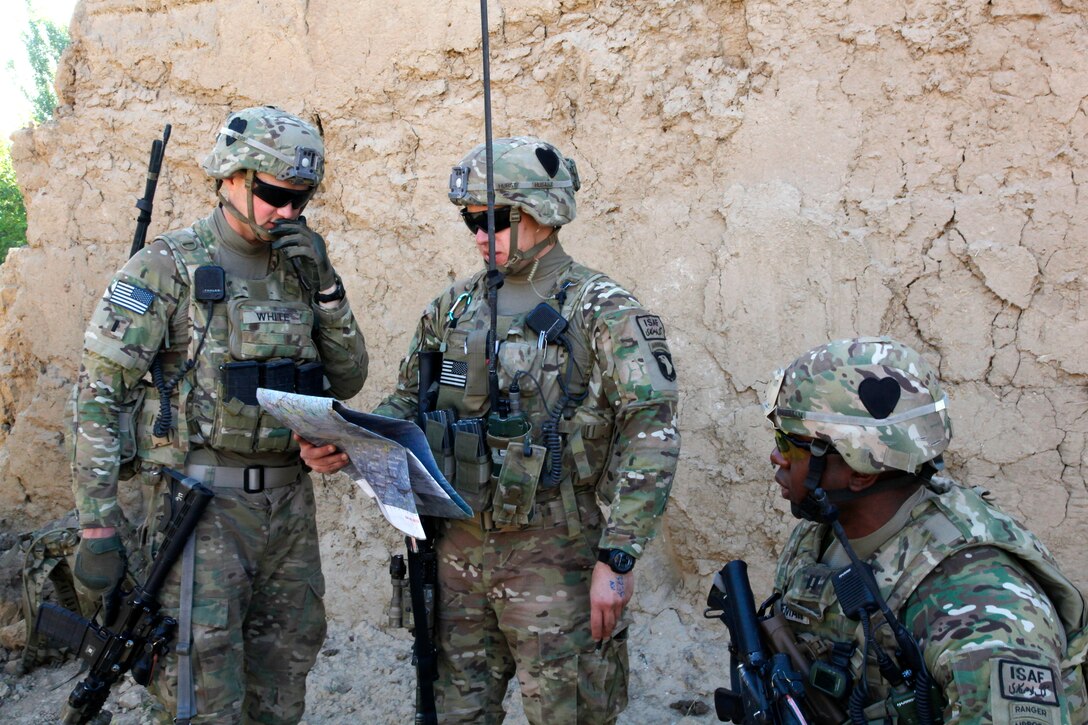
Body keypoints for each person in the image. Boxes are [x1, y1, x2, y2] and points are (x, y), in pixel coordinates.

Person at [302, 136, 681, 723]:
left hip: (555, 551)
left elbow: (651, 431)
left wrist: (620, 557)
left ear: (542, 213)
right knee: (456, 708)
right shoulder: (453, 308)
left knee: (569, 710)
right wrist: (345, 440)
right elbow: (406, 402)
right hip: (455, 550)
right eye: (470, 220)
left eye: (493, 219)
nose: (479, 235)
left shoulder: (604, 311)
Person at [70, 105, 368, 724]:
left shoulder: (301, 267)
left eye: (302, 198)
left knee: (283, 678)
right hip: (200, 514)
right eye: (275, 195)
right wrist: (97, 527)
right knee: (200, 687)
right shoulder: (167, 266)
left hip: (288, 510)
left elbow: (348, 378)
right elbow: (99, 395)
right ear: (231, 176)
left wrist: (329, 287)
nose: (288, 213)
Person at [761, 336, 1087, 724]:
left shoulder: (982, 610)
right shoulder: (827, 528)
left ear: (861, 472)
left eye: (792, 444)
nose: (776, 456)